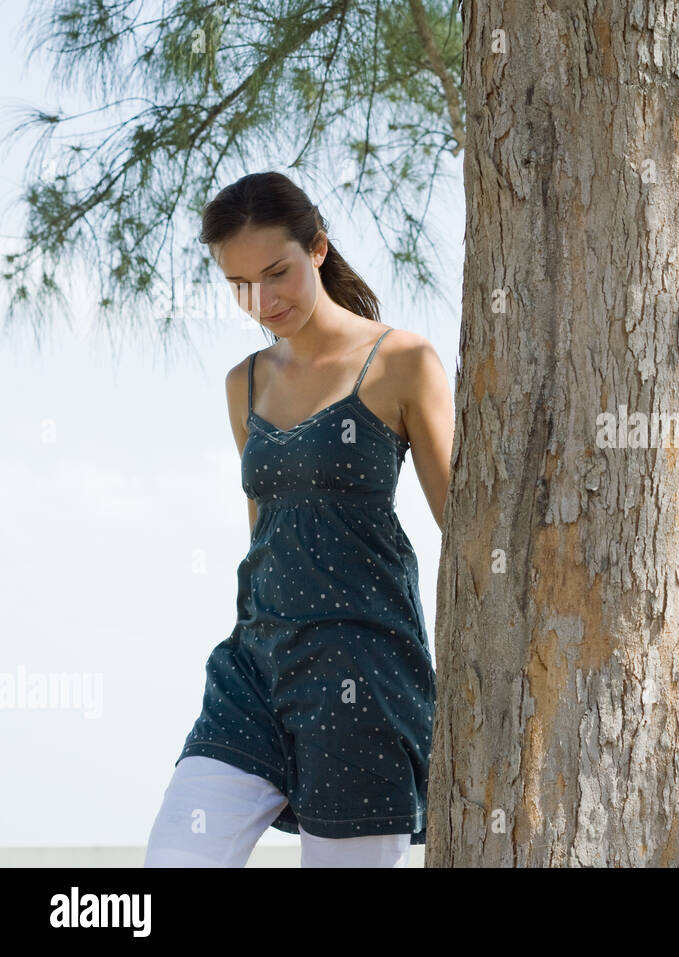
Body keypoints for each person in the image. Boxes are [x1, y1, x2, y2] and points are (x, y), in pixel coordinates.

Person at [144, 171, 454, 867]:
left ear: (317, 249)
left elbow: (461, 532)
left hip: (363, 673)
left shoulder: (401, 361)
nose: (264, 300)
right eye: (240, 285)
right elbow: (264, 535)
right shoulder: (244, 382)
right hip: (254, 667)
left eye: (277, 272)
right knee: (175, 858)